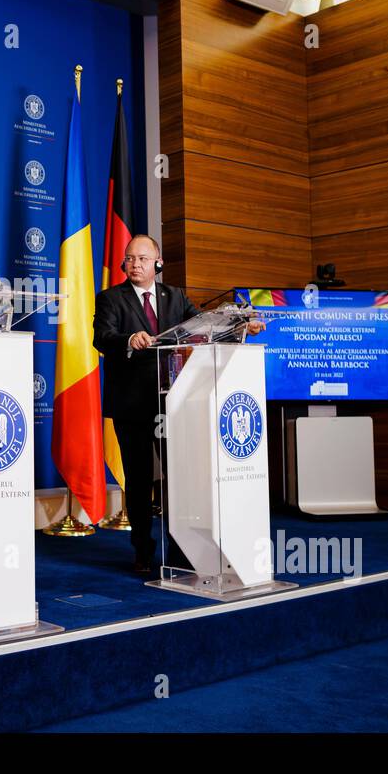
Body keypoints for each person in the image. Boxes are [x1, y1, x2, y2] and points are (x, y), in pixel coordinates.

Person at [92, 234, 263, 573]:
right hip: (133, 404)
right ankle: (142, 550)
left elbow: (203, 328)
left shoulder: (175, 297)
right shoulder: (111, 298)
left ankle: (182, 548)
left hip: (175, 403)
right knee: (139, 481)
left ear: (158, 262)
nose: (134, 264)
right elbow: (102, 337)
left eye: (141, 258)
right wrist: (129, 338)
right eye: (129, 259)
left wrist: (241, 326)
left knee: (180, 478)